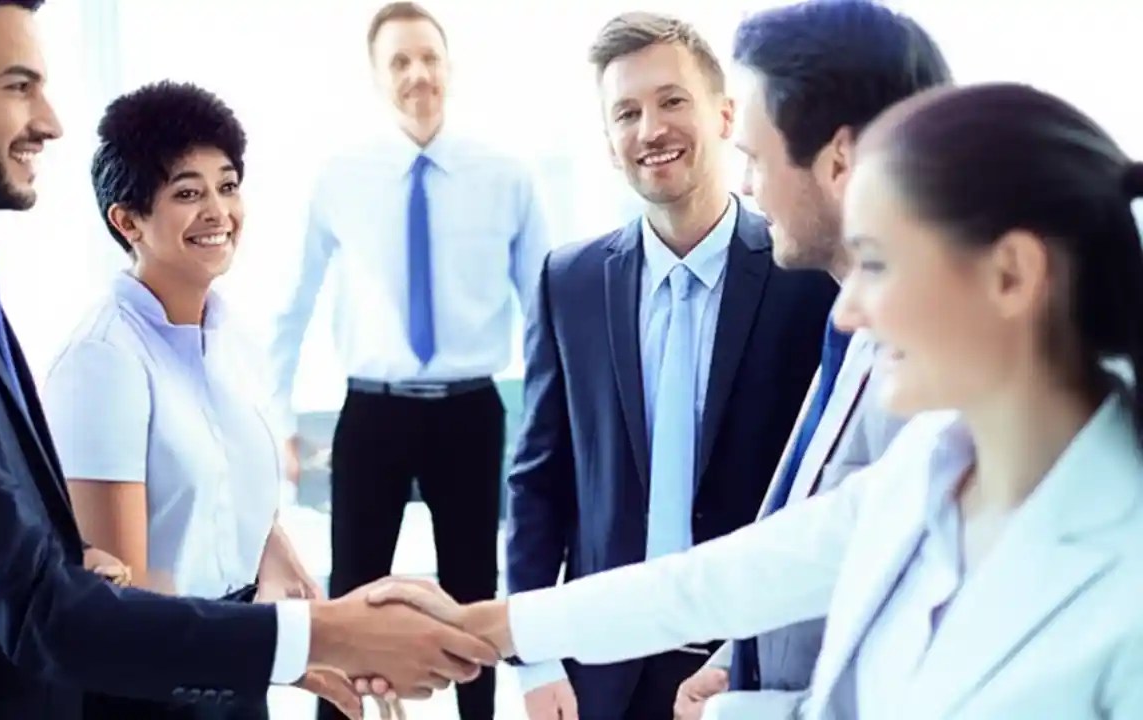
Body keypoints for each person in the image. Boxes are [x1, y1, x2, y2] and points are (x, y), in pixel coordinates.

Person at [370, 82, 1143, 719]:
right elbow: (718, 582)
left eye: (877, 263)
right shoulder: (929, 476)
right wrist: (493, 625)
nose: (847, 312)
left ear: (1010, 275)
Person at [0, 2, 495, 718]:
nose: (51, 122)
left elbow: (3, 542)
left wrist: (77, 557)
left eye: (227, 184)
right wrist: (323, 637)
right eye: (18, 87)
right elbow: (41, 608)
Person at [503, 12, 836, 719]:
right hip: (601, 669)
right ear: (609, 143)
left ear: (723, 115)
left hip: (751, 664)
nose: (650, 128)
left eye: (671, 101)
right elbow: (539, 485)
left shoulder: (805, 276)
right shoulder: (569, 282)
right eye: (627, 112)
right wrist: (535, 663)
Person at [269, 3, 550, 718]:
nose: (418, 72)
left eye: (428, 55)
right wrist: (278, 420)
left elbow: (545, 314)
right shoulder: (340, 176)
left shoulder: (507, 176)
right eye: (399, 60)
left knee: (472, 594)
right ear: (376, 77)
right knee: (351, 593)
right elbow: (290, 304)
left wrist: (555, 426)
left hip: (471, 408)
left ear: (449, 65)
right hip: (372, 408)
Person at [673, 3, 951, 717]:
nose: (746, 187)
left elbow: (934, 669)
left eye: (756, 159)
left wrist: (746, 713)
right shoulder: (850, 331)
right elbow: (804, 542)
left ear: (838, 160)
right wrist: (741, 661)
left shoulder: (942, 376)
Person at [40, 80, 350, 719]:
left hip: (229, 660)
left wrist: (280, 562)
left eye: (228, 185)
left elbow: (226, 489)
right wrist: (279, 657)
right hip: (158, 685)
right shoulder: (104, 360)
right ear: (127, 221)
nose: (218, 210)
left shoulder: (230, 331)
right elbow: (125, 594)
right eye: (187, 192)